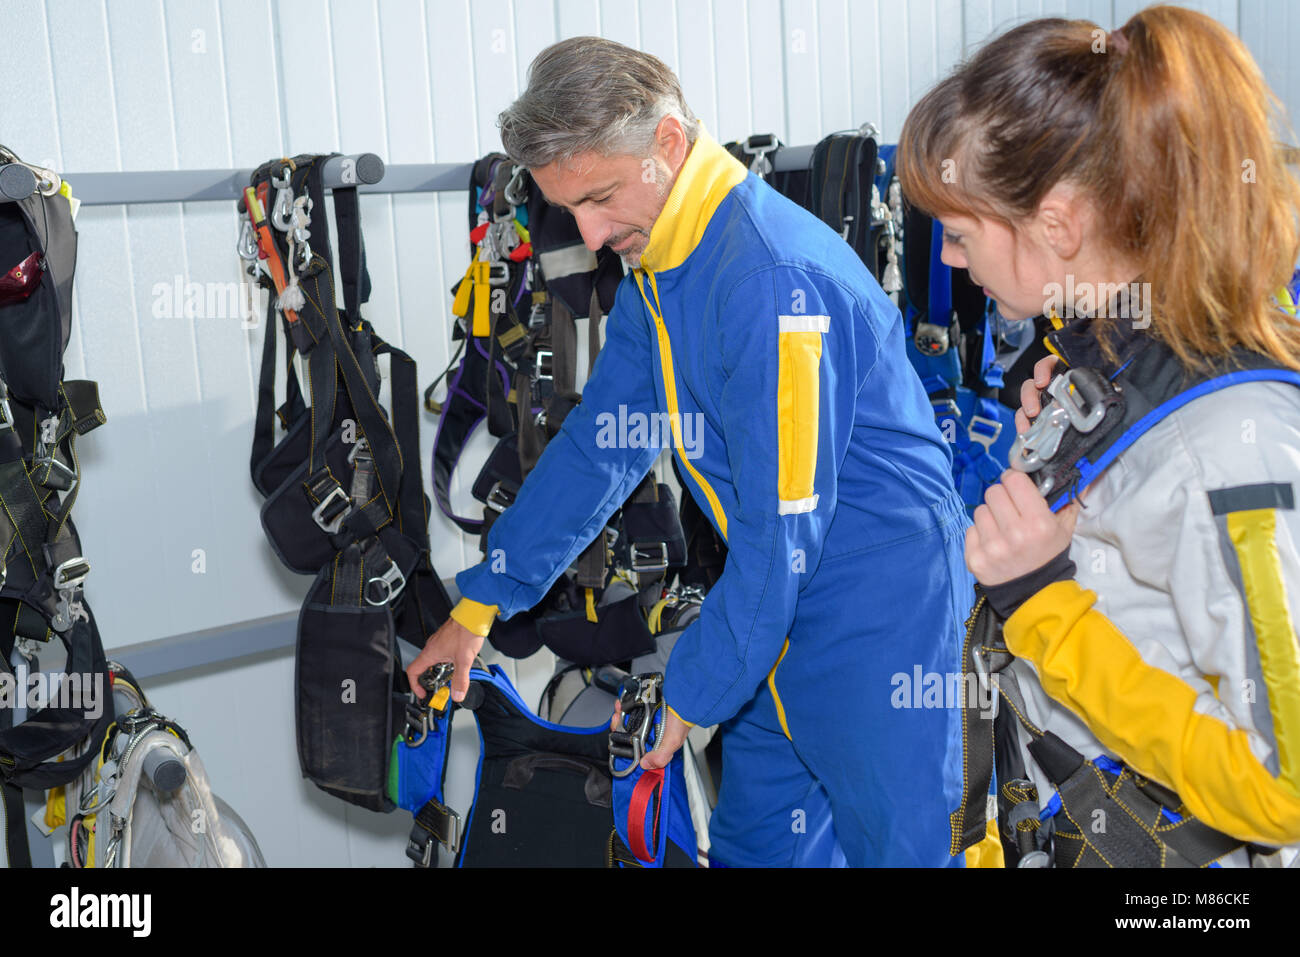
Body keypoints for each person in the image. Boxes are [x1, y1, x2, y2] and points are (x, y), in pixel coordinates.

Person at [407, 36, 976, 867]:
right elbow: (600, 445)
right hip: (767, 608)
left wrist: (690, 694)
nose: (594, 237)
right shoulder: (663, 262)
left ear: (668, 143)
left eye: (601, 198)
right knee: (754, 851)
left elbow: (783, 537)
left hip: (877, 614)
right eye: (574, 214)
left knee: (903, 854)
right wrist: (482, 600)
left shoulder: (769, 282)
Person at [898, 5, 1300, 865]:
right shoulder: (1110, 371)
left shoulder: (1230, 441)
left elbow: (1284, 789)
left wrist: (1045, 604)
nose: (954, 262)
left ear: (1060, 225)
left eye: (962, 234)